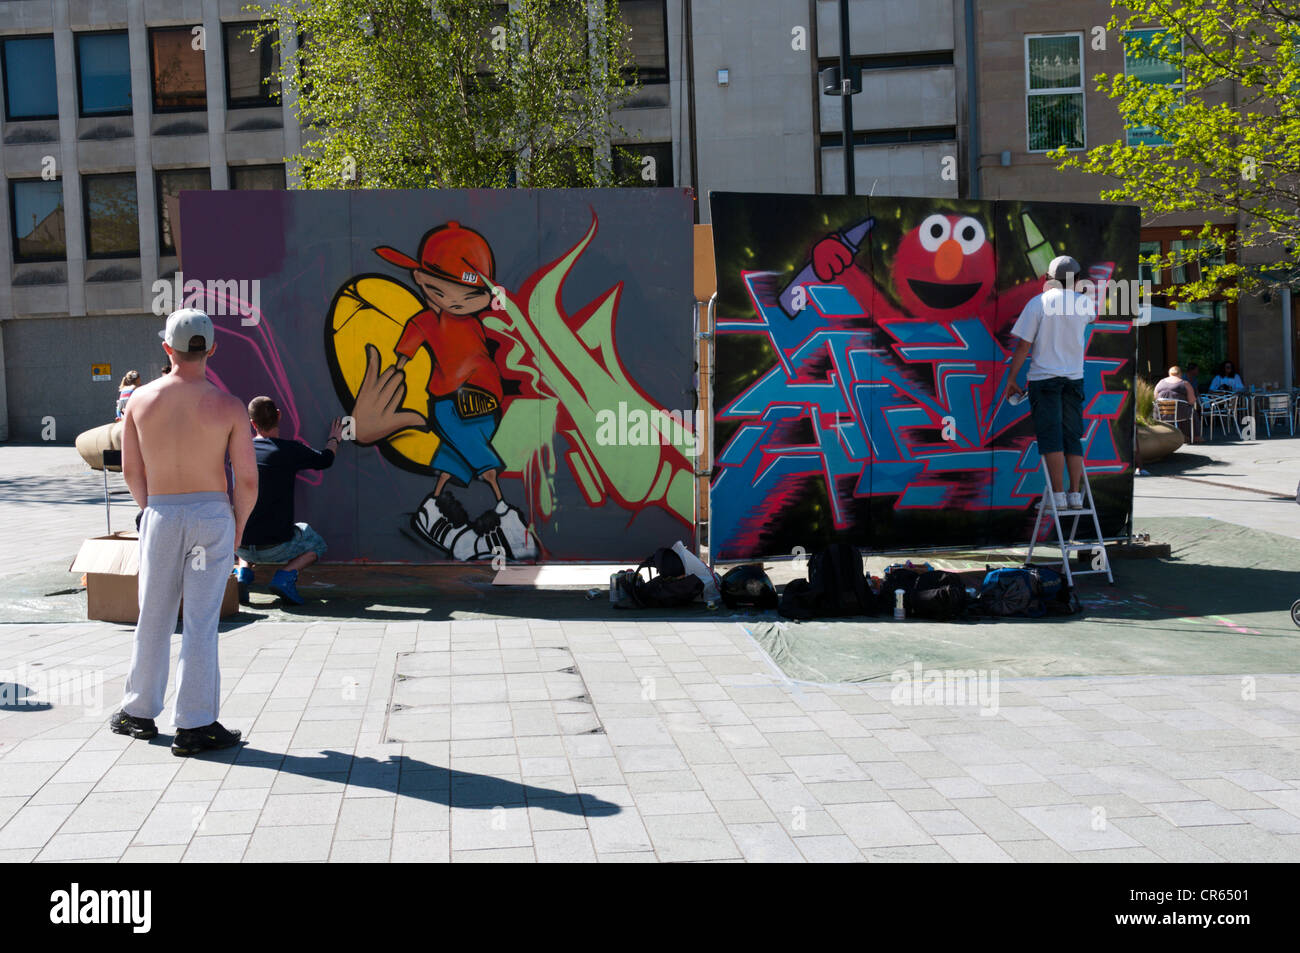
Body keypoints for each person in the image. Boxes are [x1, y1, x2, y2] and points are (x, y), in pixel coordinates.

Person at [109, 308, 258, 757]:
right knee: (200, 620)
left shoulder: (138, 402)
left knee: (153, 613)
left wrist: (154, 512)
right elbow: (247, 482)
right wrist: (236, 528)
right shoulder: (230, 406)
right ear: (211, 348)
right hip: (212, 515)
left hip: (162, 511)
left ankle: (138, 711)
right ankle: (194, 725)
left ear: (167, 348)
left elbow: (132, 472)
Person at [1004, 255, 1097, 512]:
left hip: (1044, 379)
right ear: (1077, 279)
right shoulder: (1085, 305)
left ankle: (1057, 497)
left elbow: (1024, 345)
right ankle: (1075, 495)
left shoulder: (1038, 303)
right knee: (1072, 435)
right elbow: (1089, 319)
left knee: (1051, 436)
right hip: (1074, 378)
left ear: (1048, 279)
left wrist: (1012, 378)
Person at [234, 397, 342, 606]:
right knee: (315, 542)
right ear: (279, 415)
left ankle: (242, 573)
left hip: (241, 545)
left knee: (248, 527)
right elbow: (325, 459)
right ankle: (284, 576)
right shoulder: (290, 450)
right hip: (277, 546)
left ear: (253, 423)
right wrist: (334, 438)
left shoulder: (240, 451)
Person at [1155, 365, 1199, 441]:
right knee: (1192, 411)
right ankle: (1194, 437)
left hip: (1162, 412)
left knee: (1182, 411)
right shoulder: (1185, 383)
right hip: (1180, 413)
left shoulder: (1160, 382)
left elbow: (1155, 397)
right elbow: (1192, 401)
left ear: (1169, 374)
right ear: (1180, 374)